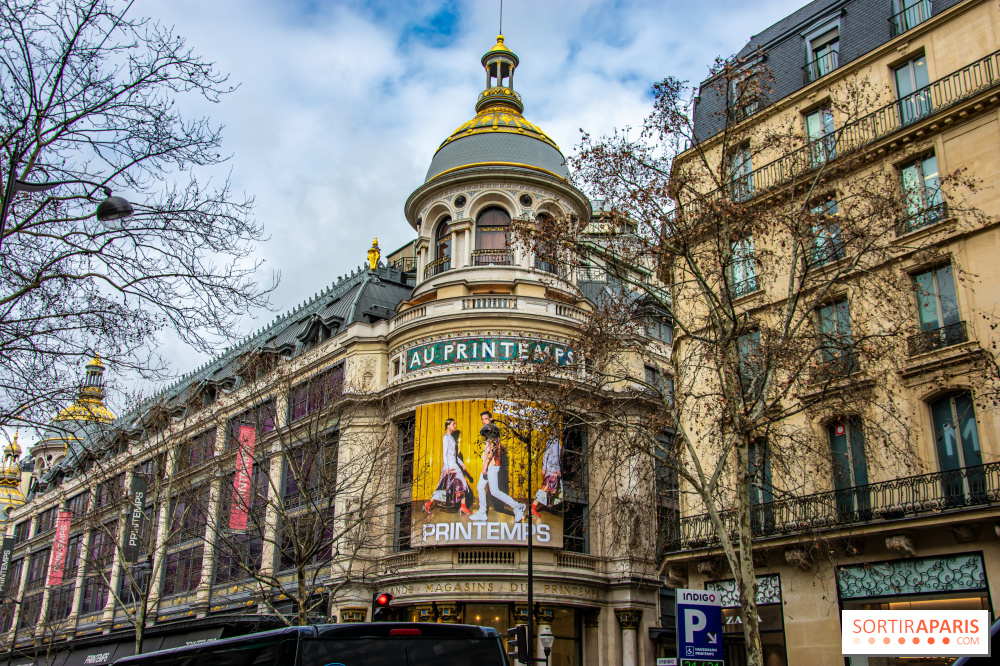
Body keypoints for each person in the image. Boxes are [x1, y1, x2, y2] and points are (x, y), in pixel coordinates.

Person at [470, 411, 526, 522]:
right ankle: (482, 512)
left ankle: (517, 506)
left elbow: (492, 450)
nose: (483, 421)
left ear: (491, 419)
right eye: (482, 419)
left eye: (486, 418)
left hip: (492, 465)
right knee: (480, 487)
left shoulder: (493, 431)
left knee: (494, 491)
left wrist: (485, 465)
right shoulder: (489, 432)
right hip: (489, 465)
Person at [424, 418, 470, 515]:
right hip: (450, 466)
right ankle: (463, 506)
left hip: (454, 464)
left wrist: (461, 463)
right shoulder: (446, 437)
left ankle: (429, 503)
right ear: (448, 426)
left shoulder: (452, 438)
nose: (455, 425)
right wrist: (446, 467)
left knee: (445, 486)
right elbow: (444, 453)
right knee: (458, 483)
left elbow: (454, 455)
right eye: (453, 424)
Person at [531, 433, 562, 518]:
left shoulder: (551, 441)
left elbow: (547, 455)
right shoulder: (555, 442)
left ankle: (551, 506)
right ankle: (534, 507)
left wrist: (544, 468)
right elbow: (555, 457)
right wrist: (557, 469)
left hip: (551, 470)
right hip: (553, 471)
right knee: (546, 489)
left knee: (553, 489)